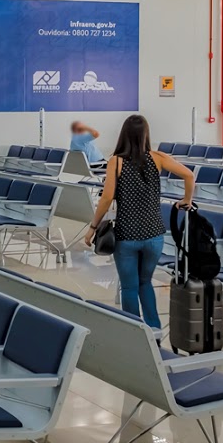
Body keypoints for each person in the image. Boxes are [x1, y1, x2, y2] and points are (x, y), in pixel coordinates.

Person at [86, 115, 195, 329]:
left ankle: (134, 333)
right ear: (146, 134)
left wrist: (92, 228)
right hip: (154, 236)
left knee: (129, 287)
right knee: (145, 283)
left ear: (124, 135)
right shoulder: (158, 158)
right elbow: (189, 175)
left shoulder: (116, 162)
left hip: (126, 236)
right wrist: (187, 200)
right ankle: (154, 330)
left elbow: (106, 199)